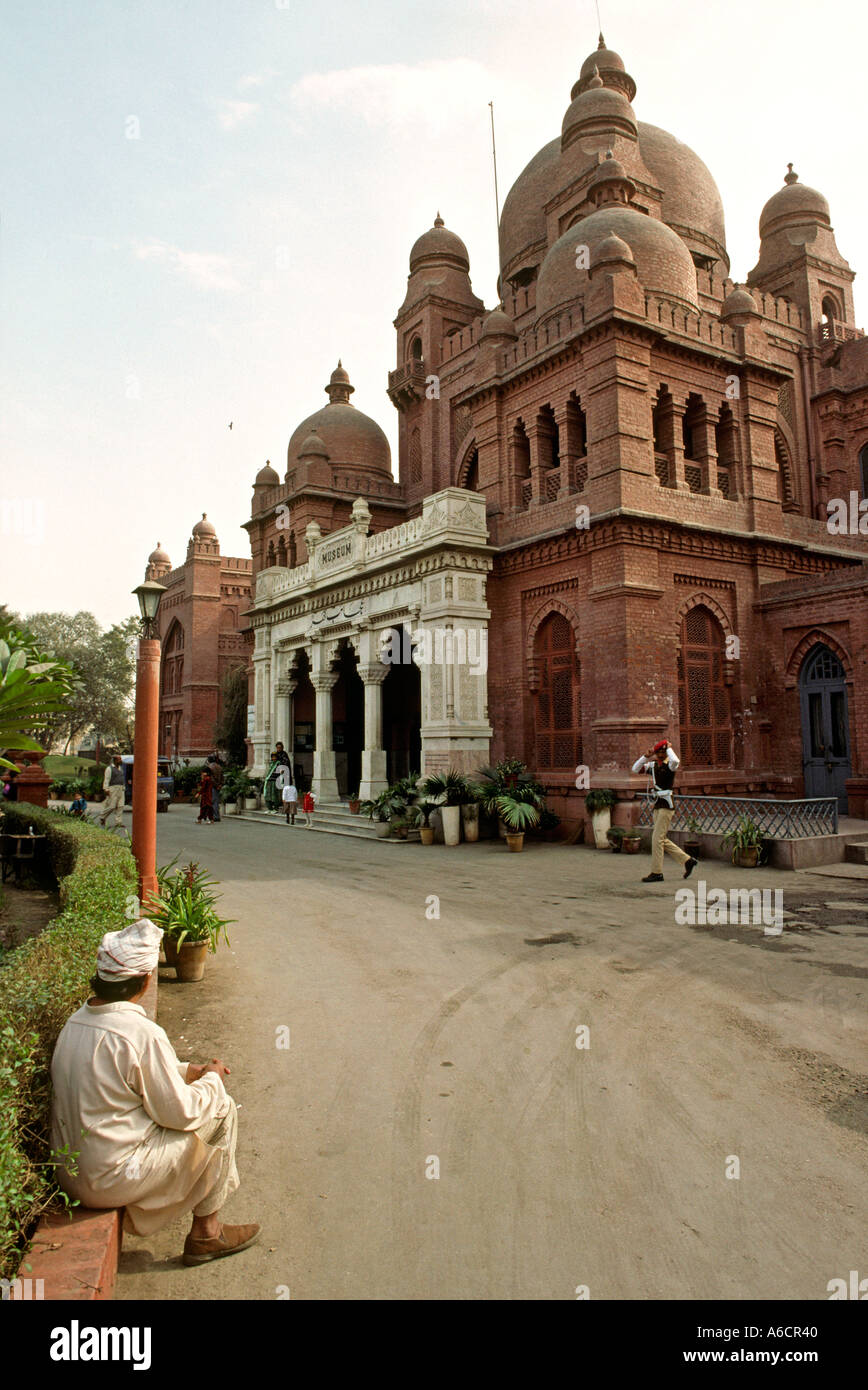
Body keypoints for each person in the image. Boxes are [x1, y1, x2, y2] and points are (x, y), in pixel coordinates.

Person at [50, 918, 260, 1266]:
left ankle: (201, 1227)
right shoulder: (140, 1032)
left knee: (188, 1106)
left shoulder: (74, 1023)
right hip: (111, 1179)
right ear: (146, 981)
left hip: (71, 1177)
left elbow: (119, 1072)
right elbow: (182, 1113)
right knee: (221, 1108)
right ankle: (207, 1234)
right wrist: (211, 1080)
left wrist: (184, 1071)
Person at [631, 739, 697, 884]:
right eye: (658, 752)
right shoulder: (653, 765)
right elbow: (635, 769)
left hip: (667, 804)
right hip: (657, 804)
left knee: (657, 839)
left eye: (662, 752)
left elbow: (676, 760)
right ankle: (688, 860)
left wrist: (668, 748)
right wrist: (645, 756)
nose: (660, 754)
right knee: (660, 838)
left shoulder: (670, 765)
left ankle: (657, 873)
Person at [99, 756, 125, 830]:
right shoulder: (109, 768)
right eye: (119, 759)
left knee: (120, 806)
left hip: (121, 788)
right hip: (113, 788)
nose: (120, 761)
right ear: (115, 760)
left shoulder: (121, 769)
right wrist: (106, 789)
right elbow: (106, 779)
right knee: (112, 806)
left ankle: (118, 822)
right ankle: (102, 816)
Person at [206, 754, 224, 823]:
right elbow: (222, 777)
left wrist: (216, 785)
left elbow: (210, 779)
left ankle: (215, 816)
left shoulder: (209, 767)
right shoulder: (219, 767)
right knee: (216, 800)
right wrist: (220, 785)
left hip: (212, 786)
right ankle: (215, 815)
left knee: (213, 801)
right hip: (218, 786)